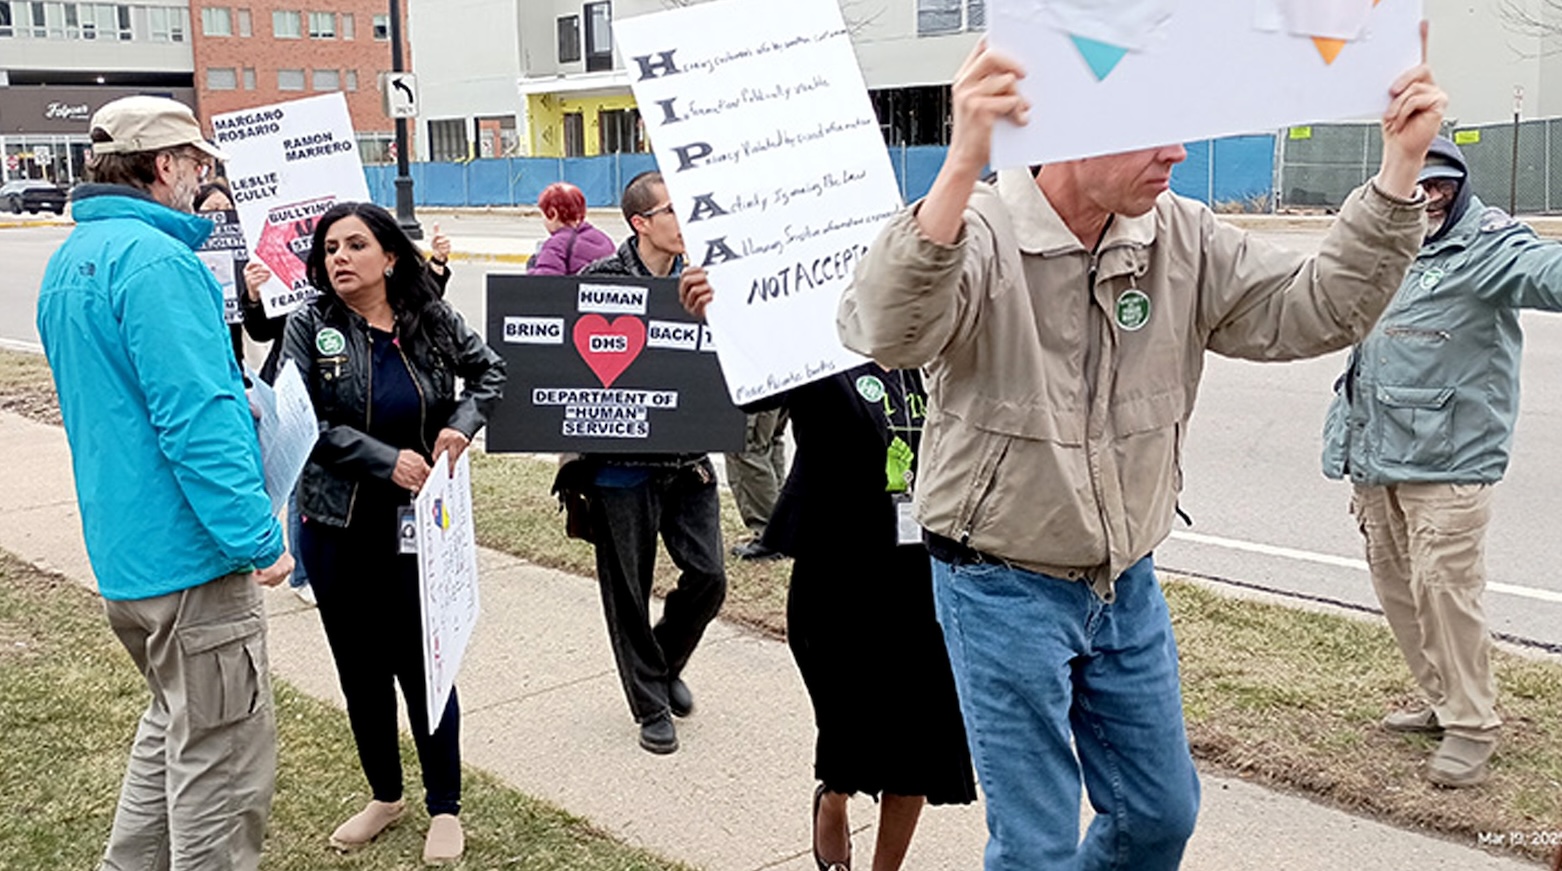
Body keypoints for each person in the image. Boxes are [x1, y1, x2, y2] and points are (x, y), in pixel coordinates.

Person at [836, 36, 1446, 871]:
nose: (1178, 152)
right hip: (998, 585)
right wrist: (962, 162)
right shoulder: (976, 234)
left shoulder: (1180, 238)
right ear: (1068, 130)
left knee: (1158, 814)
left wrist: (1399, 170)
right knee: (1036, 845)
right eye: (1151, 129)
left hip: (1124, 583)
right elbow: (885, 330)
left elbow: (1317, 307)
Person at [36, 94, 294, 871]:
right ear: (163, 165)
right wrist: (260, 538)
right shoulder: (158, 261)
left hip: (130, 552)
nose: (203, 177)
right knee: (221, 764)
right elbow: (195, 422)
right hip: (191, 555)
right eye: (196, 162)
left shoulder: (74, 258)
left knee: (174, 725)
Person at [682, 271, 976, 871]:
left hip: (924, 576)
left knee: (920, 739)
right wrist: (716, 317)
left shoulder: (943, 346)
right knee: (847, 726)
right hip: (837, 577)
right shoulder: (819, 348)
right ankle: (835, 794)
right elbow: (751, 390)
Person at [1321, 135, 1562, 788]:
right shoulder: (1385, 241)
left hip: (1448, 466)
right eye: (1417, 184)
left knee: (1446, 595)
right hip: (1375, 453)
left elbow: (1545, 270)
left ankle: (1472, 726)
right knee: (1398, 588)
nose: (1428, 196)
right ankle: (1442, 698)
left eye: (1441, 185)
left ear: (1459, 186)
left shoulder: (1487, 245)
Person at [280, 201, 505, 863]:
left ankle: (445, 805)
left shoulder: (429, 317)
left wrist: (461, 424)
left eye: (355, 245)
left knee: (425, 666)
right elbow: (300, 420)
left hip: (419, 528)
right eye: (330, 249)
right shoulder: (309, 325)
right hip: (336, 525)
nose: (339, 259)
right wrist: (384, 460)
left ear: (390, 256)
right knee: (361, 671)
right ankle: (385, 794)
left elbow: (490, 372)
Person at [565, 169, 727, 754]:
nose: (686, 221)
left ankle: (662, 660)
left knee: (709, 577)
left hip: (688, 461)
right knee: (627, 592)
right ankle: (650, 704)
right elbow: (562, 364)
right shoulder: (598, 281)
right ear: (640, 223)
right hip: (622, 466)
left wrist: (716, 314)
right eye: (672, 211)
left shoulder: (703, 278)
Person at [726, 407, 789, 561]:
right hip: (775, 393)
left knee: (745, 446)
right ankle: (781, 527)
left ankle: (770, 536)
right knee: (768, 442)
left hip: (753, 395)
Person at [526, 181, 616, 275]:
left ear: (553, 213)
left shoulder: (556, 245)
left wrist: (532, 269)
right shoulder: (604, 240)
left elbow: (545, 280)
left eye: (543, 215)